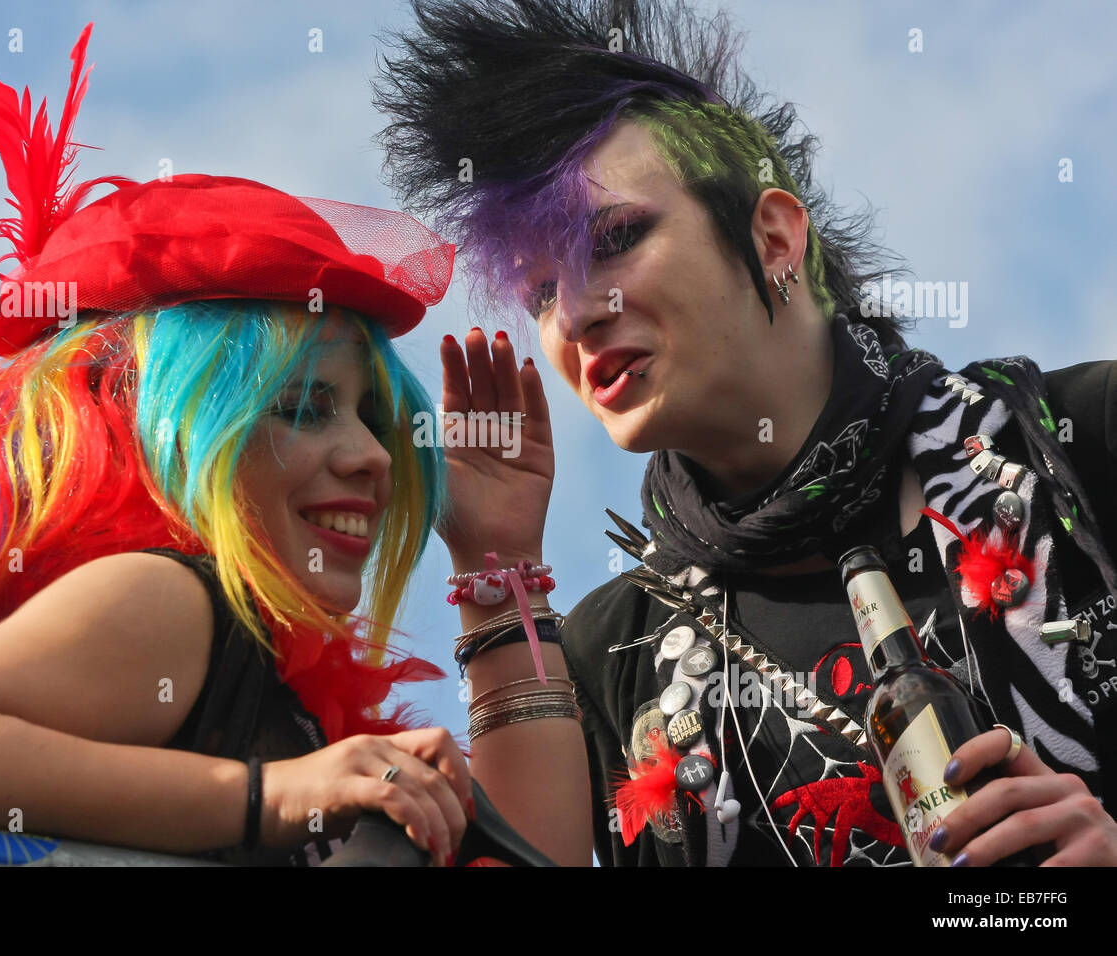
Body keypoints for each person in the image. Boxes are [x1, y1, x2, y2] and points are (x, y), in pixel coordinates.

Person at [373, 0, 1117, 866]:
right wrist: (496, 572)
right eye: (540, 292)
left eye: (613, 240)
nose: (575, 313)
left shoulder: (1080, 441)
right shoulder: (609, 654)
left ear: (771, 236)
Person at [0, 23, 474, 867]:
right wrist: (272, 797)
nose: (375, 457)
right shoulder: (175, 601)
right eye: (305, 409)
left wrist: (497, 567)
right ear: (161, 429)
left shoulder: (250, 658)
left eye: (373, 420)